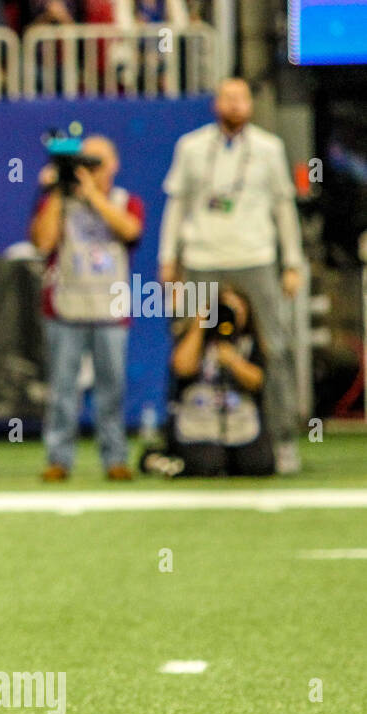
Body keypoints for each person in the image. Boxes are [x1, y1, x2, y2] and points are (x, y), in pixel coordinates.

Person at [158, 77, 306, 474]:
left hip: (254, 255)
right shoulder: (190, 147)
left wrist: (292, 262)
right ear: (216, 104)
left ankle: (281, 439)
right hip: (202, 257)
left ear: (250, 106)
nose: (234, 105)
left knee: (274, 346)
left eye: (241, 99)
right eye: (227, 98)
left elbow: (283, 207)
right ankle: (179, 435)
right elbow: (176, 204)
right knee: (187, 337)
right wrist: (167, 259)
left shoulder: (268, 149)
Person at [29, 134, 145, 481]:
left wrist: (94, 195)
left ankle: (115, 458)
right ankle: (58, 458)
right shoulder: (60, 202)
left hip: (110, 308)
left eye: (97, 162)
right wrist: (55, 192)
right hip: (67, 308)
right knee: (63, 390)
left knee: (112, 389)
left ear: (114, 165)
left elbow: (130, 230)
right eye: (85, 162)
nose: (90, 170)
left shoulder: (126, 200)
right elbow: (43, 241)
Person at [144, 284, 273, 477]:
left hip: (240, 424)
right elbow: (181, 367)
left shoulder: (249, 343)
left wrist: (233, 361)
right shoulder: (198, 341)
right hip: (199, 423)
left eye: (237, 309)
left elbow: (257, 381)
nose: (230, 315)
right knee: (206, 464)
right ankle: (158, 457)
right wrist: (199, 325)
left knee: (258, 465)